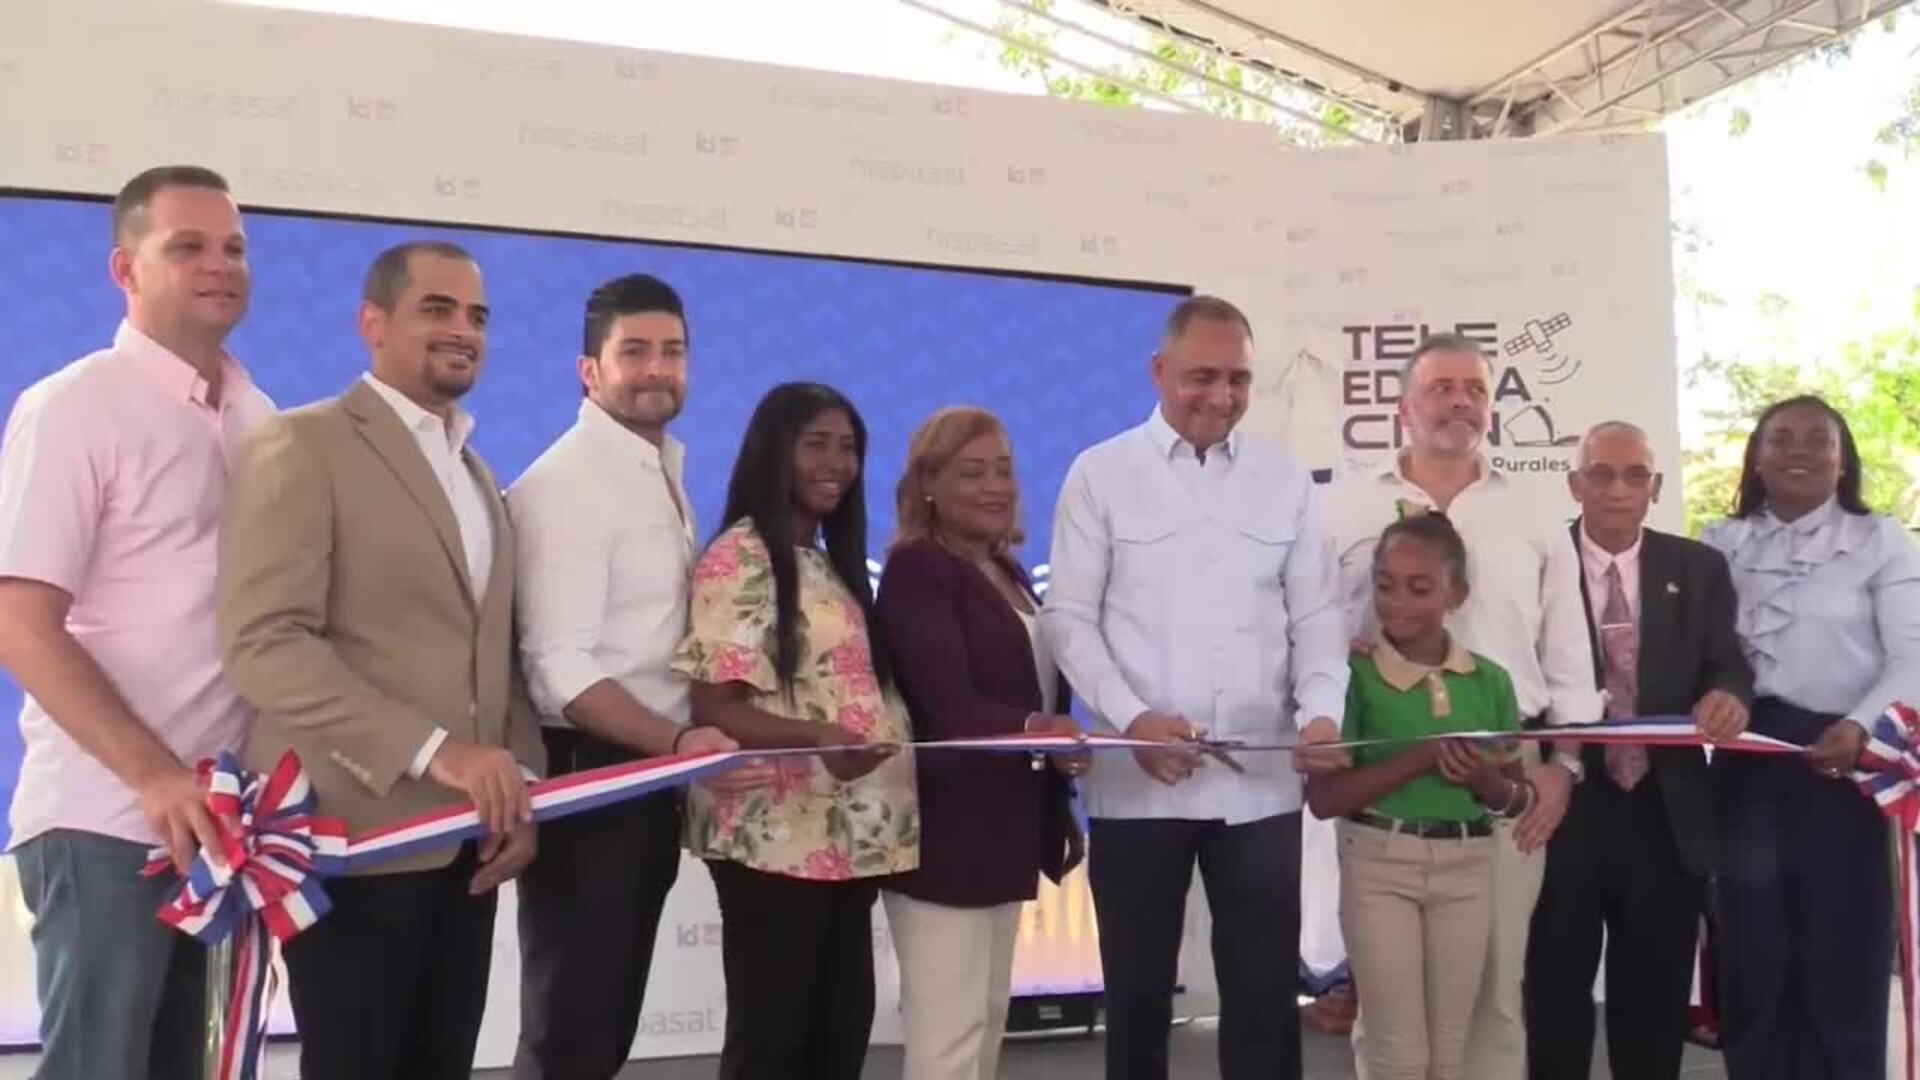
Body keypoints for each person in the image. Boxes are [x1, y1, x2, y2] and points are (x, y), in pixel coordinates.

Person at [217, 240, 546, 1080]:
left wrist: (520, 791)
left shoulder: (477, 474)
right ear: (372, 323)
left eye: (476, 315)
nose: (462, 330)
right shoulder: (305, 444)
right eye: (437, 308)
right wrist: (442, 752)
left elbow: (493, 654)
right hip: (352, 836)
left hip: (466, 845)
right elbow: (266, 642)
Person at [0, 165, 273, 1080]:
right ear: (126, 268)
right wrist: (155, 776)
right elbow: (19, 620)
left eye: (233, 247)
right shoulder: (73, 406)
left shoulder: (259, 417)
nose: (219, 265)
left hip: (224, 826)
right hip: (107, 817)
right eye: (186, 246)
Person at [1041, 295, 1350, 1080]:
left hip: (1263, 787)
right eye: (1201, 377)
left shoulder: (1284, 479)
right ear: (1158, 372)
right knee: (1139, 1006)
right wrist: (1134, 719)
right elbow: (1070, 620)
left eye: (1239, 378)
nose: (1221, 395)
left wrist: (1322, 715)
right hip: (1137, 784)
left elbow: (1316, 617)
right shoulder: (1099, 474)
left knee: (1262, 1010)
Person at [505, 273, 772, 1079]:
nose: (657, 369)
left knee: (603, 1019)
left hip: (645, 776)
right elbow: (558, 669)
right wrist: (680, 742)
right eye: (635, 353)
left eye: (673, 352)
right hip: (593, 777)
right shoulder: (571, 482)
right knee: (573, 1028)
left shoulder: (655, 469)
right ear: (589, 371)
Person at [1330, 332, 1601, 1079]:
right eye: (1441, 388)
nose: (1459, 402)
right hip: (1386, 773)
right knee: (1391, 1020)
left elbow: (1569, 649)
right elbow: (1316, 631)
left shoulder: (1535, 513)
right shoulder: (1343, 505)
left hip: (1510, 771)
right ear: (1402, 407)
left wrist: (1565, 766)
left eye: (1474, 390)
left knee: (1495, 999)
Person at [672, 382, 919, 1080]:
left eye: (849, 448)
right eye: (816, 444)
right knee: (774, 1043)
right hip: (775, 840)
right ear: (771, 451)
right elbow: (715, 707)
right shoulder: (742, 557)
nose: (837, 463)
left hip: (844, 839)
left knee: (837, 1041)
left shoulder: (827, 561)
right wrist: (818, 740)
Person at [1523, 420, 1754, 1080]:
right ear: (1574, 484)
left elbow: (1728, 665)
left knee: (1652, 1005)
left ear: (1654, 487)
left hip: (1666, 809)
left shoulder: (1698, 567)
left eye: (1634, 476)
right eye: (1600, 473)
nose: (1618, 489)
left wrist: (1729, 698)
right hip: (1561, 806)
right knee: (1554, 990)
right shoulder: (1539, 560)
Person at [1702, 394, 1920, 1079]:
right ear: (1757, 458)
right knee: (1755, 950)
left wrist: (1860, 726)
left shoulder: (1882, 539)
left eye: (1816, 440)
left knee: (1843, 950)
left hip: (1845, 763)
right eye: (1781, 438)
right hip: (1747, 764)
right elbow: (1701, 656)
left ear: (1841, 458)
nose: (1798, 451)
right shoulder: (1718, 544)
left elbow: (1912, 654)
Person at [875, 406, 1089, 1080]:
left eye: (1003, 469)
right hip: (947, 839)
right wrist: (1037, 731)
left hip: (1004, 831)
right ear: (929, 484)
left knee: (985, 1026)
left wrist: (1058, 782)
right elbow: (947, 704)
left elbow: (1040, 695)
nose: (996, 486)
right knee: (947, 1040)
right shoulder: (918, 568)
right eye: (973, 472)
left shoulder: (1010, 572)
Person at [1307, 512, 1528, 1080]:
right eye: (1384, 584)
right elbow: (1325, 797)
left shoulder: (1491, 681)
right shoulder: (1351, 678)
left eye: (1419, 587)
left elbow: (1515, 798)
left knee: (1451, 1050)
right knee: (1397, 1051)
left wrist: (1484, 781)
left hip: (1468, 865)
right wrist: (1421, 756)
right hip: (1380, 866)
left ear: (1457, 593)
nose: (1398, 601)